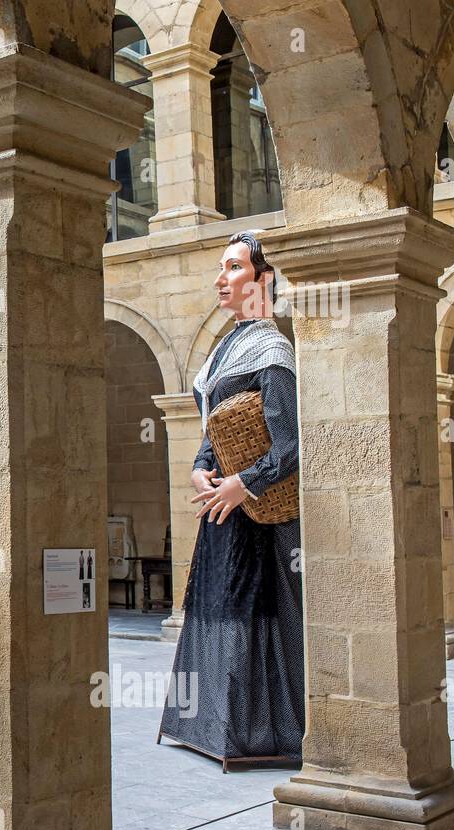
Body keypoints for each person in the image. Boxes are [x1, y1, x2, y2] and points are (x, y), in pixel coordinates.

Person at [157, 231, 304, 767]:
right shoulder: (223, 349)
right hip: (223, 507)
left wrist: (244, 485)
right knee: (215, 608)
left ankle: (264, 736)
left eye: (234, 268)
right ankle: (207, 726)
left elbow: (290, 443)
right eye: (220, 268)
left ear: (263, 279)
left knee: (257, 613)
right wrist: (200, 473)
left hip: (260, 515)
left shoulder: (272, 348)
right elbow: (211, 436)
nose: (222, 278)